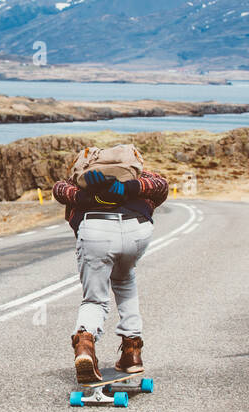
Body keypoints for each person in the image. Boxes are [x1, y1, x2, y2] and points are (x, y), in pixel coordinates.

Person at [52, 156, 169, 382]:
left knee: (95, 299)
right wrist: (132, 187)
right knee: (125, 281)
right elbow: (161, 186)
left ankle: (85, 345)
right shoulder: (135, 173)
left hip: (96, 229)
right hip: (136, 230)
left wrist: (83, 195)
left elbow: (59, 189)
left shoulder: (81, 177)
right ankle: (132, 352)